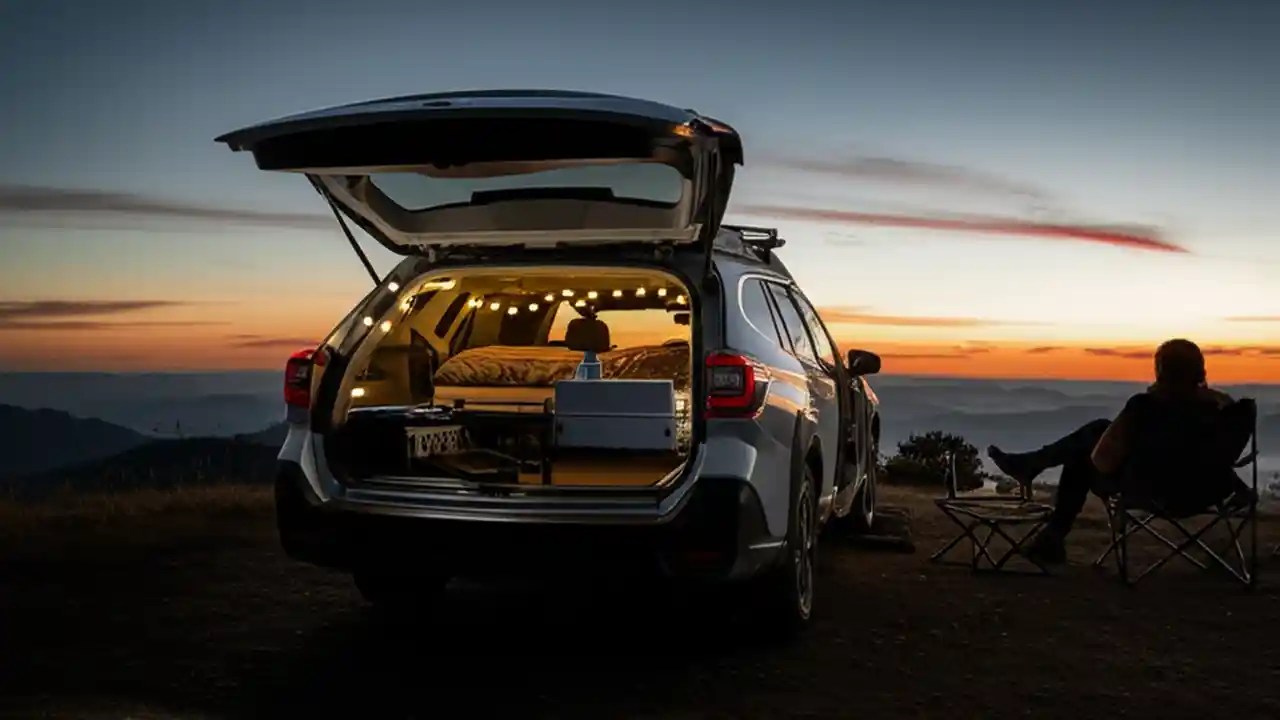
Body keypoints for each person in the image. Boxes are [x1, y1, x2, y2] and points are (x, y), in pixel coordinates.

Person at [986, 339, 1255, 564]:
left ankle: (1049, 527)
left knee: (1084, 451)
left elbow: (1102, 462)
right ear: (1200, 370)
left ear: (1160, 369)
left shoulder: (1145, 407)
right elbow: (1214, 454)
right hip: (1204, 492)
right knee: (1095, 434)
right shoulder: (1225, 412)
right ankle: (1033, 474)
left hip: (1151, 492)